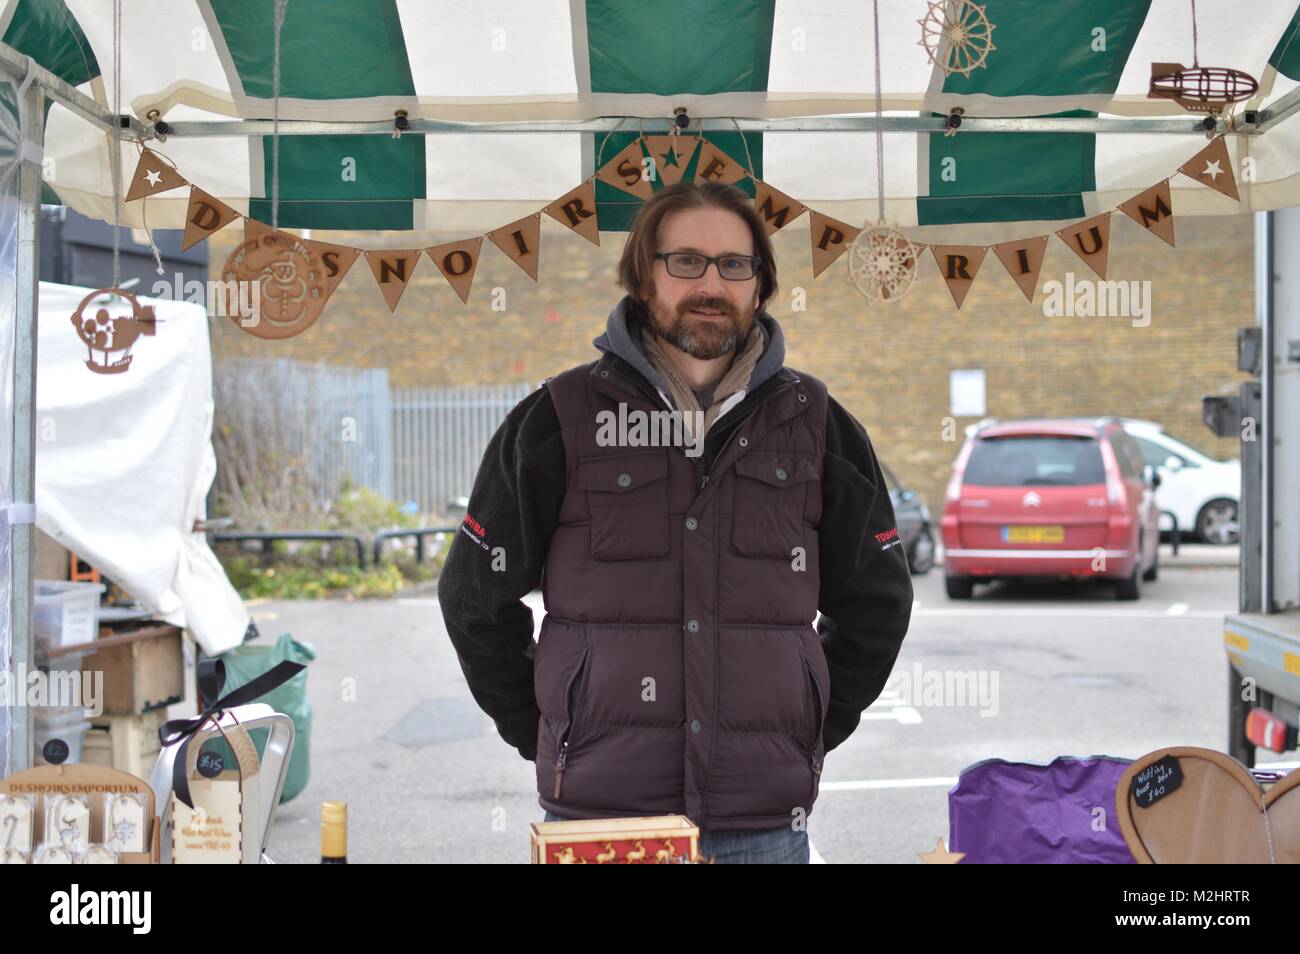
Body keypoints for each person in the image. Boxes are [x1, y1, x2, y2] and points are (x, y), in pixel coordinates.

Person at [437, 180, 913, 863]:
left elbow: (878, 601)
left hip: (765, 828)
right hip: (601, 825)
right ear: (642, 275)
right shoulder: (558, 417)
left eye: (734, 264)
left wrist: (808, 726)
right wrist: (546, 729)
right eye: (685, 261)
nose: (711, 283)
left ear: (760, 284)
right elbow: (473, 594)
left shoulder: (819, 425)